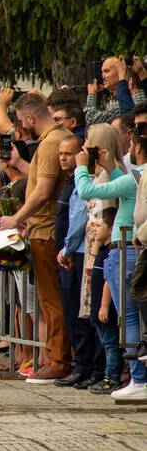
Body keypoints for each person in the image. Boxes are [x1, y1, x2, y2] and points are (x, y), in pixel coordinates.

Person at [0, 92, 74, 384]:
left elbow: (42, 191)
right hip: (46, 229)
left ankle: (59, 359)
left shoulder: (52, 142)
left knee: (51, 300)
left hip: (45, 230)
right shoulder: (58, 139)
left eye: (20, 121)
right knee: (52, 299)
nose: (19, 127)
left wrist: (16, 218)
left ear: (30, 117)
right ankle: (59, 357)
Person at [74, 124, 146, 398]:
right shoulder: (139, 176)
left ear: (138, 147)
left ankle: (138, 379)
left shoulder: (137, 176)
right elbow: (126, 191)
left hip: (123, 249)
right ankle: (138, 377)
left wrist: (82, 166)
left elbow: (87, 191)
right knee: (132, 318)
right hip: (127, 249)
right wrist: (108, 165)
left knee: (127, 318)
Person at [55, 133, 98, 388]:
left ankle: (86, 366)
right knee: (73, 312)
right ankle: (82, 365)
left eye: (68, 153)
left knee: (81, 313)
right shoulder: (70, 181)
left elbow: (80, 218)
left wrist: (67, 249)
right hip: (73, 253)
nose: (63, 158)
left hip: (80, 253)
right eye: (60, 153)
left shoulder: (83, 181)